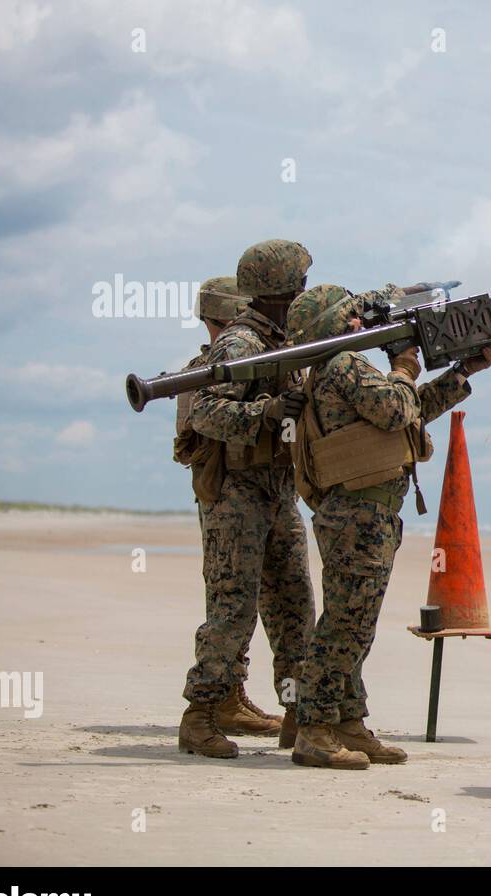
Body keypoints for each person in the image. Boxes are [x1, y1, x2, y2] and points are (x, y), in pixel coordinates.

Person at [284, 284, 491, 769]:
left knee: (356, 624)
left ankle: (348, 721)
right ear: (336, 326)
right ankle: (314, 727)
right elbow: (398, 406)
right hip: (357, 514)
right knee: (344, 624)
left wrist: (462, 371)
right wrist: (404, 364)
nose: (361, 323)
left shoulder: (337, 368)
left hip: (368, 512)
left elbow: (408, 413)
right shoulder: (341, 365)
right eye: (351, 318)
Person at [176, 242, 316, 759]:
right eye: (297, 283)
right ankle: (202, 715)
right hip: (236, 493)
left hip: (278, 490)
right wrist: (268, 410)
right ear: (280, 288)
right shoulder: (240, 343)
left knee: (294, 610)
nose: (302, 290)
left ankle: (298, 714)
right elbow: (205, 413)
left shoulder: (285, 339)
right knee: (233, 611)